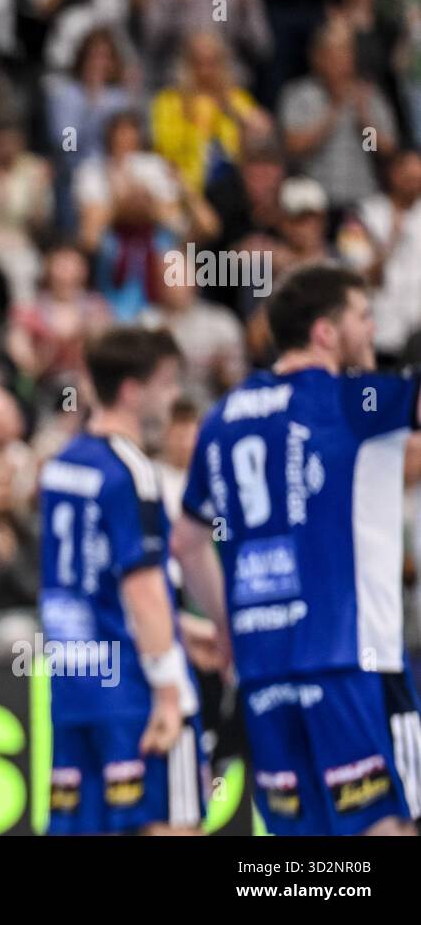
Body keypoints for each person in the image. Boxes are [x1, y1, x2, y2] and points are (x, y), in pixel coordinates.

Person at [172, 263, 421, 835]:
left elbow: (188, 542)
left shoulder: (221, 417)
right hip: (350, 657)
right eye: (363, 316)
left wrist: (228, 627)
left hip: (263, 667)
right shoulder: (349, 400)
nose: (372, 330)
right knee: (385, 827)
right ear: (325, 333)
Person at [39, 325, 207, 834]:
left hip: (75, 689)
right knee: (170, 824)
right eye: (168, 382)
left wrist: (190, 630)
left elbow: (95, 585)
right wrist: (170, 691)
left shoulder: (61, 464)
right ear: (134, 390)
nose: (174, 396)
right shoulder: (131, 471)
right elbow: (142, 590)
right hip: (134, 691)